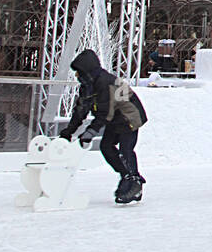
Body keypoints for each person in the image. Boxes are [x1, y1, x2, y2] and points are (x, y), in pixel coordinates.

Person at [59, 49, 148, 204]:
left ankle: (134, 181)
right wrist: (68, 132)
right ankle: (126, 176)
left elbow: (104, 113)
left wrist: (90, 132)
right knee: (106, 147)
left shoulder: (105, 83)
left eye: (79, 72)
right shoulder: (88, 86)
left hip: (129, 117)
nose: (77, 76)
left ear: (87, 71)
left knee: (125, 150)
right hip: (115, 118)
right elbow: (81, 110)